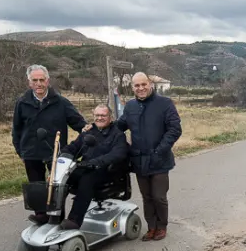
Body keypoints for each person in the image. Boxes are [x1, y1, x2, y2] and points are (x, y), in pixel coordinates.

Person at [12, 64, 86, 225]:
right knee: (37, 187)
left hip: (55, 153)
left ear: (48, 81)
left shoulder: (60, 102)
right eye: (35, 80)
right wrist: (20, 152)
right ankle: (41, 217)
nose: (39, 83)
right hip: (31, 153)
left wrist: (89, 132)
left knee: (58, 188)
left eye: (42, 80)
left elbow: (78, 123)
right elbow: (16, 130)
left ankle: (57, 219)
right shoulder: (22, 102)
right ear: (29, 82)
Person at [116, 72, 182, 241]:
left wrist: (160, 150)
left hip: (160, 158)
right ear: (132, 88)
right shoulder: (130, 106)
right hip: (139, 160)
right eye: (137, 85)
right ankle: (151, 227)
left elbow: (174, 129)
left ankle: (161, 226)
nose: (141, 88)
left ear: (150, 84)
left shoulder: (164, 104)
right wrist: (98, 127)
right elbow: (120, 126)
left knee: (159, 196)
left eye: (143, 84)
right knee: (146, 196)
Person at [58, 105, 130, 229]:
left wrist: (95, 162)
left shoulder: (117, 135)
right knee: (62, 177)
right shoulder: (89, 132)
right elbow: (74, 147)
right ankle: (55, 216)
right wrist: (62, 156)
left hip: (106, 171)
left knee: (87, 179)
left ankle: (74, 220)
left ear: (110, 118)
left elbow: (118, 154)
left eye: (103, 115)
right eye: (97, 115)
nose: (99, 118)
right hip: (86, 167)